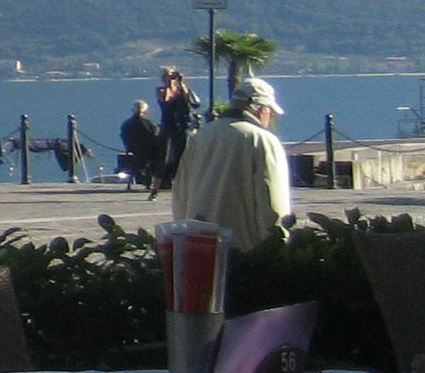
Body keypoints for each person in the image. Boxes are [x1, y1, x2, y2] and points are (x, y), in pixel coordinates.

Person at [170, 75, 294, 247]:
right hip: (244, 247)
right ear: (260, 109)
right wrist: (278, 243)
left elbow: (180, 192)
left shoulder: (202, 135)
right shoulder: (262, 140)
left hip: (201, 244)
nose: (270, 117)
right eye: (270, 111)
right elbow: (271, 201)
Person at [153, 68, 200, 193]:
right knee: (165, 157)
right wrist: (169, 85)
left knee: (182, 156)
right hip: (168, 126)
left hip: (182, 126)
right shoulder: (161, 90)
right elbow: (165, 102)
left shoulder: (181, 90)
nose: (171, 78)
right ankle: (155, 189)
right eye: (168, 76)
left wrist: (181, 83)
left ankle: (181, 184)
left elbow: (190, 101)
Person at [119, 99, 165, 193]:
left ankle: (142, 178)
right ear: (146, 111)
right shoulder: (151, 124)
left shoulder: (126, 125)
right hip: (150, 153)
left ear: (133, 110)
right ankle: (161, 180)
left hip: (133, 151)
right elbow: (156, 138)